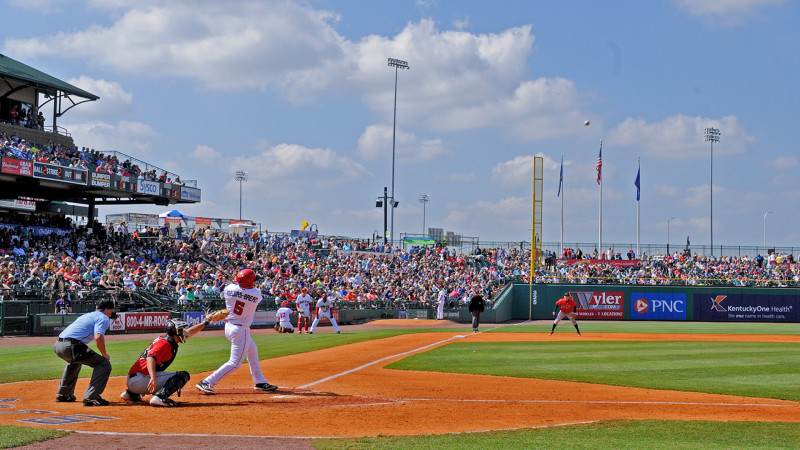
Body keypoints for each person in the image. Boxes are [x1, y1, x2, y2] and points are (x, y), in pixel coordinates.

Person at [195, 269, 278, 394]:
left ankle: (260, 381)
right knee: (235, 363)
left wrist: (237, 282)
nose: (254, 282)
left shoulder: (229, 289)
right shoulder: (256, 294)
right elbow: (249, 289)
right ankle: (207, 381)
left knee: (252, 351)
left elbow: (237, 287)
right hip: (240, 330)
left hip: (229, 327)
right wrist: (241, 283)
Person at [121, 319, 207, 407]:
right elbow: (150, 357)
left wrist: (205, 322)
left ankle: (132, 394)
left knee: (159, 374)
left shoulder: (166, 339)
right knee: (182, 376)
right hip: (140, 379)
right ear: (175, 332)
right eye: (181, 330)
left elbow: (189, 332)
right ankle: (160, 398)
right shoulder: (165, 343)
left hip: (134, 380)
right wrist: (153, 377)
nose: (183, 332)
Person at [53, 300, 115, 406]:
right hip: (71, 346)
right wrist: (104, 354)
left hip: (58, 345)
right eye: (112, 309)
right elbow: (98, 337)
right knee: (104, 364)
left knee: (75, 362)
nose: (113, 311)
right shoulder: (103, 317)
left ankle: (64, 394)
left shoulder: (88, 315)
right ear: (107, 309)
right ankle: (92, 397)